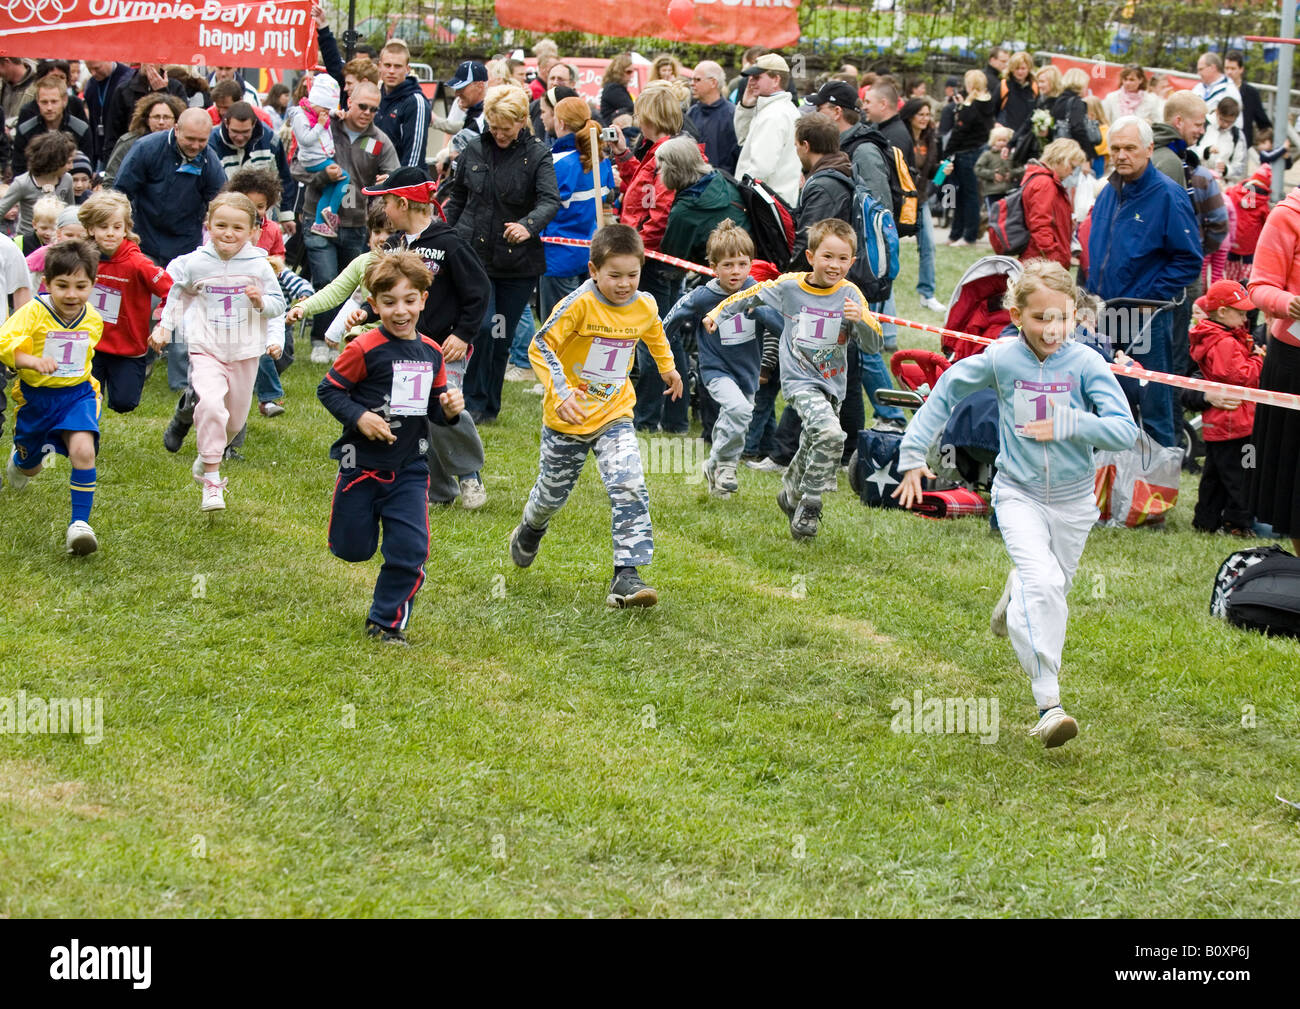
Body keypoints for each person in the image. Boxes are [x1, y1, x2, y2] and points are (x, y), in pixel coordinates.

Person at [894, 259, 1138, 748]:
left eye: (1063, 318)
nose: (1052, 330)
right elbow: (945, 393)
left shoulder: (1086, 364)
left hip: (1074, 502)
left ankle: (1014, 598)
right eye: (1040, 318)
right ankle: (1050, 704)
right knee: (1044, 587)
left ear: (1076, 315)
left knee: (1050, 593)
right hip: (1018, 494)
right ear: (1016, 314)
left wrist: (1072, 423)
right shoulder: (1001, 358)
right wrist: (909, 453)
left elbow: (1125, 431)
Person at [510, 223, 683, 608]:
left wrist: (667, 367)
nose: (625, 284)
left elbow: (653, 331)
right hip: (568, 417)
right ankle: (532, 525)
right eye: (614, 275)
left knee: (629, 483)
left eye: (633, 275)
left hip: (615, 412)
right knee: (551, 496)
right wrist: (561, 391)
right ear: (593, 271)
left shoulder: (645, 304)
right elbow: (541, 345)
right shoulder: (578, 304)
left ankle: (627, 574)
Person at [318, 251, 465, 646]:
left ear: (423, 300)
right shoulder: (364, 348)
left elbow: (433, 408)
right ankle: (349, 534)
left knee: (411, 550)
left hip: (410, 468)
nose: (400, 311)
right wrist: (360, 417)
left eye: (409, 300)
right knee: (352, 549)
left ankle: (385, 622)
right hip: (360, 465)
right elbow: (329, 390)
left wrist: (449, 410)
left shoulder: (432, 353)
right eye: (389, 302)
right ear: (374, 304)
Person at [705, 218, 883, 541]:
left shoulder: (852, 295)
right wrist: (718, 314)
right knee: (831, 434)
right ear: (811, 256)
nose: (835, 265)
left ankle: (788, 492)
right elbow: (753, 294)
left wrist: (864, 322)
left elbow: (873, 346)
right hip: (799, 381)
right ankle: (809, 502)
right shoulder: (790, 287)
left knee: (814, 441)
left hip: (833, 384)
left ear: (852, 262)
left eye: (843, 259)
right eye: (827, 257)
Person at [151, 193, 285, 511]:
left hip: (245, 351)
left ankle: (205, 454)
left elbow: (279, 305)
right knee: (210, 404)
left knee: (234, 421)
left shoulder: (259, 266)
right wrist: (164, 327)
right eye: (220, 225)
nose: (228, 233)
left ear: (253, 231)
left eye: (238, 227)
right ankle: (212, 480)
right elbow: (178, 294)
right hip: (205, 347)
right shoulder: (197, 263)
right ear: (208, 226)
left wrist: (260, 304)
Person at [441, 84, 560, 425]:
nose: (499, 134)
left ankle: (488, 405)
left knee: (500, 334)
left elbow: (549, 200)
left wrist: (528, 225)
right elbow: (458, 197)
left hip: (516, 263)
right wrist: (445, 236)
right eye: (493, 127)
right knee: (479, 327)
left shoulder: (537, 154)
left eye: (505, 128)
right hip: (473, 255)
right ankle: (473, 401)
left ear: (523, 121)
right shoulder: (474, 150)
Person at [1087, 116, 1202, 448]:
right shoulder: (1109, 191)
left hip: (1147, 316)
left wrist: (1147, 296)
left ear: (1149, 149)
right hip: (1105, 313)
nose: (1122, 155)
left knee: (1154, 401)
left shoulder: (1168, 195)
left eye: (1130, 148)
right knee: (1106, 394)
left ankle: (1159, 479)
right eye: (1116, 148)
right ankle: (1110, 474)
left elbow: (1189, 260)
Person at [0, 240, 105, 555]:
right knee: (32, 465)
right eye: (62, 285)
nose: (71, 294)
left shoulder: (92, 319)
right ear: (47, 283)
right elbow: (6, 341)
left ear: (92, 285)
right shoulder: (33, 311)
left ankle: (79, 526)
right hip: (37, 399)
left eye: (80, 286)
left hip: (78, 394)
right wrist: (32, 361)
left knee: (84, 451)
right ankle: (20, 463)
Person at [663, 220, 780, 498]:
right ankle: (726, 465)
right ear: (713, 267)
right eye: (728, 265)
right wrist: (661, 352)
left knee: (740, 418)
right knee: (738, 411)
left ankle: (715, 469)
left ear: (751, 263)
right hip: (716, 370)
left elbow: (782, 327)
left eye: (742, 264)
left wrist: (761, 312)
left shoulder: (759, 293)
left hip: (748, 373)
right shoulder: (704, 296)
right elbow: (669, 321)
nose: (735, 271)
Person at [290, 80, 399, 364]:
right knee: (325, 279)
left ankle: (340, 338)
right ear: (348, 101)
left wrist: (388, 181)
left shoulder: (380, 140)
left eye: (374, 109)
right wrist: (324, 176)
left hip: (356, 222)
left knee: (350, 285)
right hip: (317, 216)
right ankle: (318, 339)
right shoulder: (325, 125)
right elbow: (296, 167)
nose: (367, 113)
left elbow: (396, 174)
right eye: (362, 106)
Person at [607, 83, 688, 432]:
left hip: (654, 259)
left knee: (657, 339)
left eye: (641, 112)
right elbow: (645, 193)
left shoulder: (666, 154)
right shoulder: (656, 151)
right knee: (664, 336)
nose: (637, 119)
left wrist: (636, 253)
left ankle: (651, 417)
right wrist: (626, 157)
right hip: (652, 255)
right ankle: (669, 417)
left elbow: (662, 210)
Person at [77, 190, 171, 414]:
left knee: (124, 403)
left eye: (116, 227)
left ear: (126, 228)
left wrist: (162, 324)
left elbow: (173, 292)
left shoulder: (138, 263)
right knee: (86, 401)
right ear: (90, 229)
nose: (110, 233)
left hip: (128, 348)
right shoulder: (82, 258)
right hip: (90, 345)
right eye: (103, 227)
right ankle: (85, 440)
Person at [1187, 280, 1263, 535]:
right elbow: (1239, 377)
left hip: (1220, 423)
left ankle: (1206, 521)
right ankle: (1238, 523)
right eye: (1240, 313)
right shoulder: (1224, 342)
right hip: (1235, 422)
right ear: (1222, 312)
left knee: (1216, 475)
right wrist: (1258, 360)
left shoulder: (1220, 337)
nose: (1245, 318)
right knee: (1243, 474)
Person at [540, 96, 616, 322]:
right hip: (589, 250)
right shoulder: (600, 158)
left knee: (555, 328)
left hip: (558, 253)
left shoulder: (558, 162)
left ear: (560, 122)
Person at [658, 136, 747, 269]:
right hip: (751, 262)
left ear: (670, 171)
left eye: (660, 168)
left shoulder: (684, 211)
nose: (659, 173)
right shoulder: (722, 179)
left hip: (719, 278)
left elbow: (672, 261)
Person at [207, 101, 294, 227]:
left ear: (254, 124)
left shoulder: (270, 140)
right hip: (226, 219)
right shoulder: (212, 144)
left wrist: (285, 216)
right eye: (235, 131)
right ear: (226, 124)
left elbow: (283, 178)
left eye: (245, 132)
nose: (240, 137)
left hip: (262, 219)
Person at [733, 53, 801, 206]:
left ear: (776, 79)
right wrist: (746, 107)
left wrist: (737, 196)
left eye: (757, 77)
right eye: (750, 77)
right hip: (774, 201)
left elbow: (760, 169)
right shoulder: (778, 108)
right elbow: (743, 140)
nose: (750, 81)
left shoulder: (774, 115)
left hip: (764, 204)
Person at [900, 98, 945, 314]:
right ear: (911, 116)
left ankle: (927, 294)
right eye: (921, 115)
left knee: (928, 246)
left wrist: (941, 170)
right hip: (902, 200)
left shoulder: (930, 139)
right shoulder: (902, 137)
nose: (925, 119)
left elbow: (928, 171)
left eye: (928, 115)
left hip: (922, 199)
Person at [1019, 138, 1087, 270]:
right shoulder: (1045, 184)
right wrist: (1054, 260)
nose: (1072, 172)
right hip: (1043, 264)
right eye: (1072, 167)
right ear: (1061, 160)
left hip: (1039, 260)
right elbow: (1040, 225)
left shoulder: (1041, 179)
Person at [946, 69, 996, 247]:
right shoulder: (988, 104)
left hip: (965, 153)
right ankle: (962, 233)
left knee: (965, 196)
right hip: (979, 150)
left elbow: (959, 132)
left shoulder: (970, 107)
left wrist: (947, 151)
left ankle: (966, 235)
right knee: (971, 195)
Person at [11, 74, 93, 177]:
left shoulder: (81, 129)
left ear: (64, 101)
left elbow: (87, 166)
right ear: (37, 102)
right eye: (44, 102)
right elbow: (19, 168)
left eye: (54, 102)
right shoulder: (25, 130)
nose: (49, 107)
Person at [0, 132, 75, 242]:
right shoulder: (22, 183)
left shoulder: (67, 180)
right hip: (28, 242)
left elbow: (70, 213)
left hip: (56, 241)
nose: (71, 167)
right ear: (54, 161)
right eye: (68, 162)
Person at [104, 63, 189, 158]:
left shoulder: (176, 87)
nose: (148, 64)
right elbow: (113, 130)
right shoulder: (124, 90)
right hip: (132, 151)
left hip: (168, 150)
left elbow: (184, 120)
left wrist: (163, 91)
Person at [102, 92, 184, 186]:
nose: (161, 122)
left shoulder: (183, 144)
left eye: (166, 117)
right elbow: (110, 180)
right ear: (147, 120)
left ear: (176, 120)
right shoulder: (129, 143)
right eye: (156, 117)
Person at [377, 39, 431, 168]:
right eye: (387, 65)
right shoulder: (376, 97)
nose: (391, 71)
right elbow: (373, 142)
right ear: (379, 66)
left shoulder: (415, 102)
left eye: (397, 66)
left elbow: (413, 159)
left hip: (402, 182)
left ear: (407, 69)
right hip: (376, 179)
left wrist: (392, 177)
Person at [687, 61, 738, 174]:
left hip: (723, 185)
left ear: (713, 82)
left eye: (697, 80)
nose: (692, 84)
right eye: (692, 79)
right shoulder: (691, 113)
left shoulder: (732, 115)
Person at [82, 61, 134, 169]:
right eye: (89, 69)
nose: (93, 73)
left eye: (97, 68)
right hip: (101, 149)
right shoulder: (91, 84)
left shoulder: (128, 79)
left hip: (122, 147)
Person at [1196, 96, 1248, 185]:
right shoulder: (1202, 124)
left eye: (1230, 122)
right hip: (1198, 180)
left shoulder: (1237, 135)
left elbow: (1240, 168)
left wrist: (1226, 170)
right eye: (1223, 120)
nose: (1226, 124)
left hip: (1222, 184)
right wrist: (1206, 152)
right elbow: (1189, 150)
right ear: (1217, 112)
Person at [1224, 50, 1270, 147]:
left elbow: (1262, 121)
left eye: (1233, 68)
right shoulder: (1219, 89)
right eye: (1227, 68)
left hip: (1242, 144)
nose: (1229, 72)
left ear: (1241, 69)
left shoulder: (1251, 93)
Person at [1051, 68, 1097, 166]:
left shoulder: (1059, 100)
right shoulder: (1076, 103)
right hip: (1073, 153)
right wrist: (1087, 155)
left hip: (1059, 150)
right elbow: (1078, 128)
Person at [975, 126, 1023, 214]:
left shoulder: (1011, 155)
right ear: (993, 141)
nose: (1001, 143)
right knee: (994, 215)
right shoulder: (987, 155)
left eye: (1004, 140)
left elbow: (1021, 169)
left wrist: (1012, 174)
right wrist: (992, 174)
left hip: (1009, 191)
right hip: (992, 192)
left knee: (1008, 215)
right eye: (999, 140)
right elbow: (977, 169)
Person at [436, 60, 487, 138]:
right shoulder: (475, 112)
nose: (457, 93)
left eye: (462, 88)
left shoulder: (488, 116)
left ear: (480, 86)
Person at [1193, 52, 1241, 125]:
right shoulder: (1198, 87)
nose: (1198, 73)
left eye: (1201, 69)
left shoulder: (1230, 90)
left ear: (1213, 68)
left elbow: (1237, 122)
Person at [997, 52, 1038, 132]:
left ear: (1029, 69)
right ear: (1012, 69)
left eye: (1023, 68)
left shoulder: (1034, 87)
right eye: (1017, 68)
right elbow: (992, 110)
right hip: (1007, 133)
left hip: (1026, 135)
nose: (1020, 72)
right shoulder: (1004, 85)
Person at [600, 53, 636, 126]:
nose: (631, 75)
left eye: (632, 72)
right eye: (628, 72)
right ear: (619, 72)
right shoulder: (613, 89)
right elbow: (631, 107)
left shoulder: (614, 87)